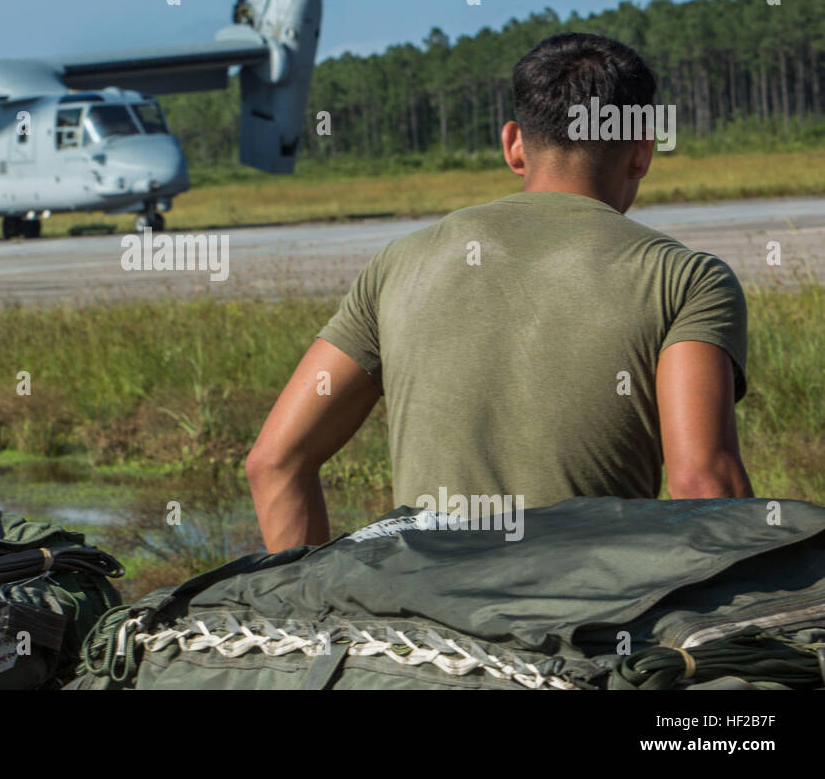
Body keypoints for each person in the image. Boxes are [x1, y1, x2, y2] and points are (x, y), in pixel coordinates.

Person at [245, 32, 753, 553]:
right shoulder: (687, 279)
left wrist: (306, 603)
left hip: (421, 622)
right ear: (642, 151)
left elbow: (275, 462)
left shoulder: (398, 264)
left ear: (513, 145)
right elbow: (702, 486)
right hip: (584, 621)